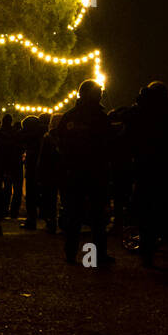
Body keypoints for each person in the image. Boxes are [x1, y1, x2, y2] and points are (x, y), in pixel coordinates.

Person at [125, 82, 168, 267]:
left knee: (147, 214)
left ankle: (147, 253)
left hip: (146, 167)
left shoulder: (140, 111)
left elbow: (129, 136)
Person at [57, 80, 114, 265]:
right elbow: (108, 145)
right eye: (98, 92)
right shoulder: (99, 117)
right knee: (97, 217)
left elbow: (60, 143)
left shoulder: (70, 117)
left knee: (75, 215)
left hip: (75, 172)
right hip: (94, 173)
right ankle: (97, 256)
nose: (100, 95)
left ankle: (71, 253)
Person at [0, 113, 23, 220]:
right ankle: (14, 211)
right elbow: (21, 148)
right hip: (16, 163)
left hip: (5, 164)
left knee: (6, 188)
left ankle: (4, 210)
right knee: (17, 189)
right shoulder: (17, 134)